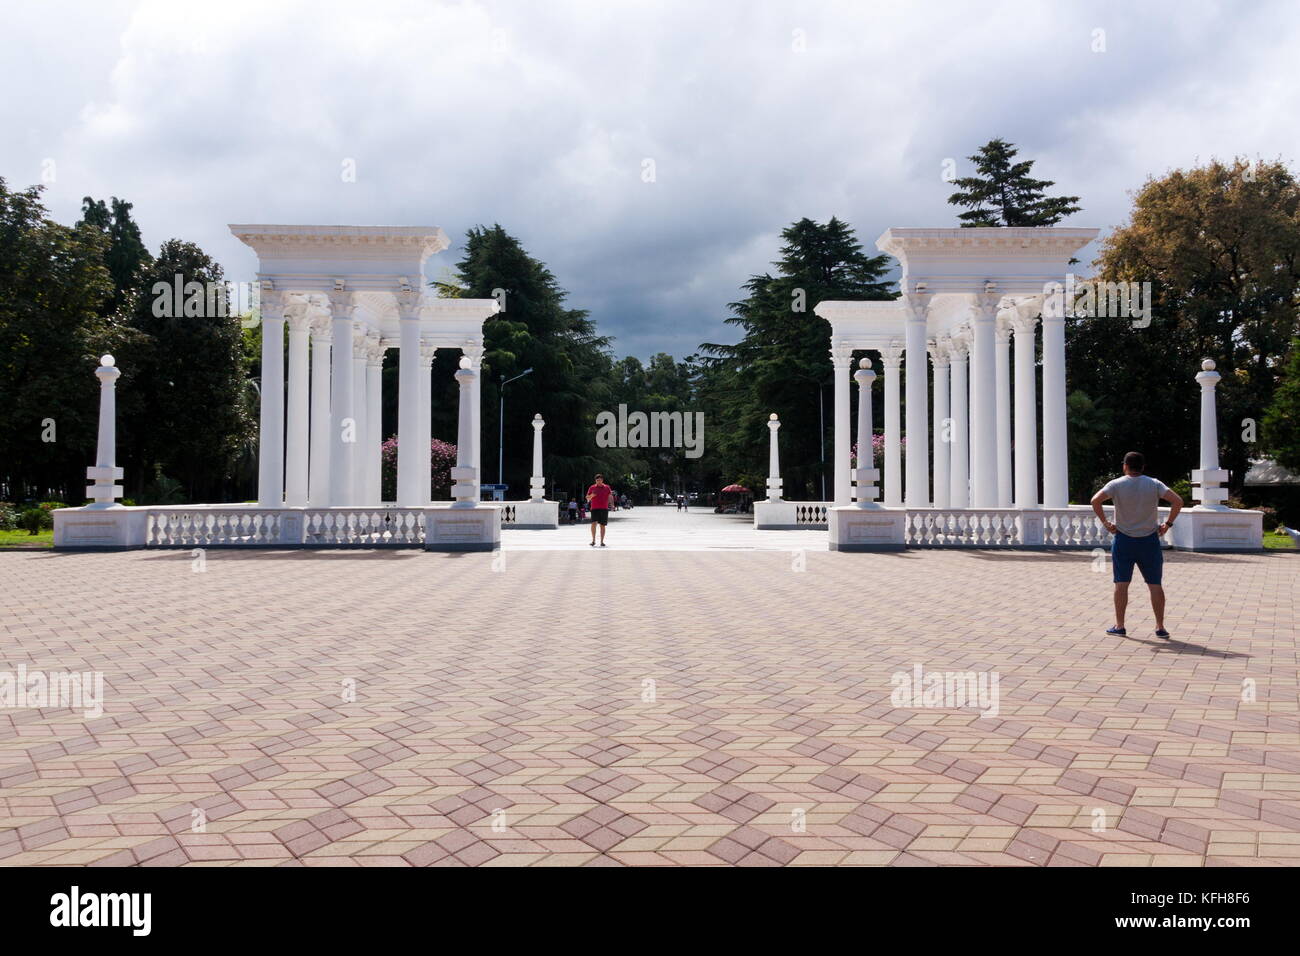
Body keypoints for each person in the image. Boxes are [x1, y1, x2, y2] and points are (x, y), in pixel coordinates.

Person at [1091, 451, 1183, 639]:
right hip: (1149, 540)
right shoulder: (1154, 484)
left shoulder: (1116, 484)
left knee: (1121, 584)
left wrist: (1106, 523)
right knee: (1155, 584)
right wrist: (1167, 524)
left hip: (1124, 539)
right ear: (1142, 467)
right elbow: (1178, 501)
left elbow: (1095, 500)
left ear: (1125, 466)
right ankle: (1160, 627)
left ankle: (1120, 625)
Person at [587, 473, 613, 546]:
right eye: (597, 480)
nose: (599, 481)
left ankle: (602, 542)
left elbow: (610, 496)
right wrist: (592, 495)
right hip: (594, 508)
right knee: (593, 524)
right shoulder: (592, 487)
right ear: (595, 480)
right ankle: (593, 540)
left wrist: (612, 504)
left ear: (602, 480)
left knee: (602, 525)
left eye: (600, 480)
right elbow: (588, 498)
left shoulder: (607, 487)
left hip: (604, 508)